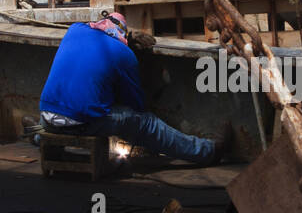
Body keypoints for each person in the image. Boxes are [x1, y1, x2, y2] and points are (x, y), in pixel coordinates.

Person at [38, 12, 222, 165]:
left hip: (46, 116)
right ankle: (207, 151)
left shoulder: (74, 30)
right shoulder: (123, 53)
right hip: (83, 123)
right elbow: (135, 104)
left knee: (61, 120)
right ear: (123, 35)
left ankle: (36, 135)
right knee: (144, 122)